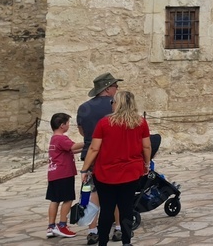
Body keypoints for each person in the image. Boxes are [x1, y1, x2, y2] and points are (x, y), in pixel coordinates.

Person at [80, 91, 152, 246]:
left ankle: (103, 242)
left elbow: (94, 148)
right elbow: (146, 146)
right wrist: (146, 164)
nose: (111, 104)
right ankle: (126, 242)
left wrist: (84, 169)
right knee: (126, 209)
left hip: (106, 173)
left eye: (112, 102)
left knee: (106, 210)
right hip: (131, 172)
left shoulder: (104, 123)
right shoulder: (140, 122)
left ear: (117, 103)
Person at [77, 73, 122, 245]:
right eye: (116, 87)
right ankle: (118, 228)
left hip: (90, 155)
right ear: (108, 88)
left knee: (91, 193)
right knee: (117, 192)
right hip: (112, 154)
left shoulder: (83, 107)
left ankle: (92, 231)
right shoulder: (115, 106)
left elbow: (82, 131)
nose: (117, 90)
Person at [46, 112, 83, 239]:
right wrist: (89, 141)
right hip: (64, 173)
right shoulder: (62, 138)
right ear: (62, 125)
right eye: (68, 123)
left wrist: (87, 147)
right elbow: (73, 147)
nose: (69, 125)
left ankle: (51, 227)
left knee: (54, 200)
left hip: (54, 173)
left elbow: (71, 150)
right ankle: (62, 225)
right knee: (68, 199)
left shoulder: (54, 138)